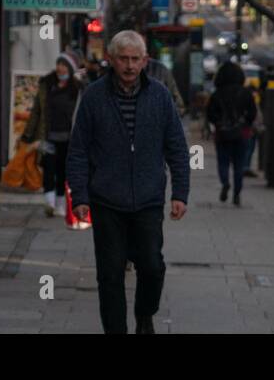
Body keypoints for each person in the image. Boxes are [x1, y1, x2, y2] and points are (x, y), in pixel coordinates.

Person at [68, 30, 190, 335]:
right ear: (111, 59)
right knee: (109, 275)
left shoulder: (160, 96)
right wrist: (79, 197)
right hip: (106, 199)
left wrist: (181, 193)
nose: (130, 65)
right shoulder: (94, 96)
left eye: (136, 59)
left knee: (152, 266)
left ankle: (145, 313)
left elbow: (176, 147)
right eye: (124, 58)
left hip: (148, 200)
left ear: (146, 61)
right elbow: (78, 150)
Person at [21, 55, 83, 218]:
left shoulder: (77, 88)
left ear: (70, 68)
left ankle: (60, 204)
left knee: (63, 171)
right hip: (48, 136)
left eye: (64, 65)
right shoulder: (47, 85)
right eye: (58, 64)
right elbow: (37, 111)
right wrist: (28, 134)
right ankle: (49, 202)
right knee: (48, 168)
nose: (60, 68)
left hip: (68, 139)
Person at [206, 61, 256, 205]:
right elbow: (252, 113)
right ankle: (237, 193)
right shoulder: (245, 93)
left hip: (222, 133)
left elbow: (210, 113)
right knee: (239, 165)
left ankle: (225, 182)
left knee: (223, 162)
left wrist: (218, 123)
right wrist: (245, 123)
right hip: (241, 133)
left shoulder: (217, 94)